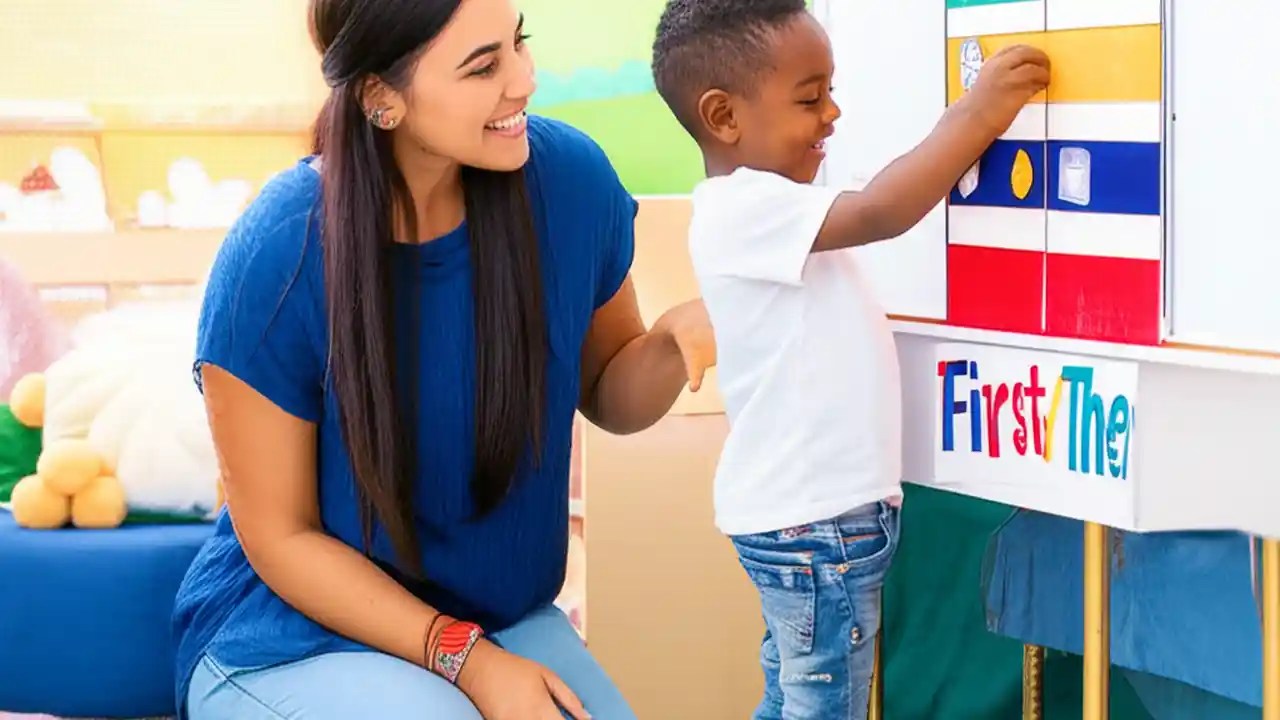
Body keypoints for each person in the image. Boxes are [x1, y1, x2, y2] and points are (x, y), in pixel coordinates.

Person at [172, 0, 715, 718]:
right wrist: (467, 662)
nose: (523, 80)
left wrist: (671, 346)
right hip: (292, 637)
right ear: (381, 99)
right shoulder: (279, 253)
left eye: (519, 44)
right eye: (482, 67)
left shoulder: (569, 183)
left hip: (497, 618)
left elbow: (608, 391)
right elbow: (281, 535)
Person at [650, 1, 1049, 718]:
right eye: (810, 98)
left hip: (813, 522)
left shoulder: (769, 212)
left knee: (797, 695)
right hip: (816, 526)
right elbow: (882, 210)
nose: (832, 113)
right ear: (723, 116)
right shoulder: (746, 210)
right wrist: (977, 115)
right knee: (821, 704)